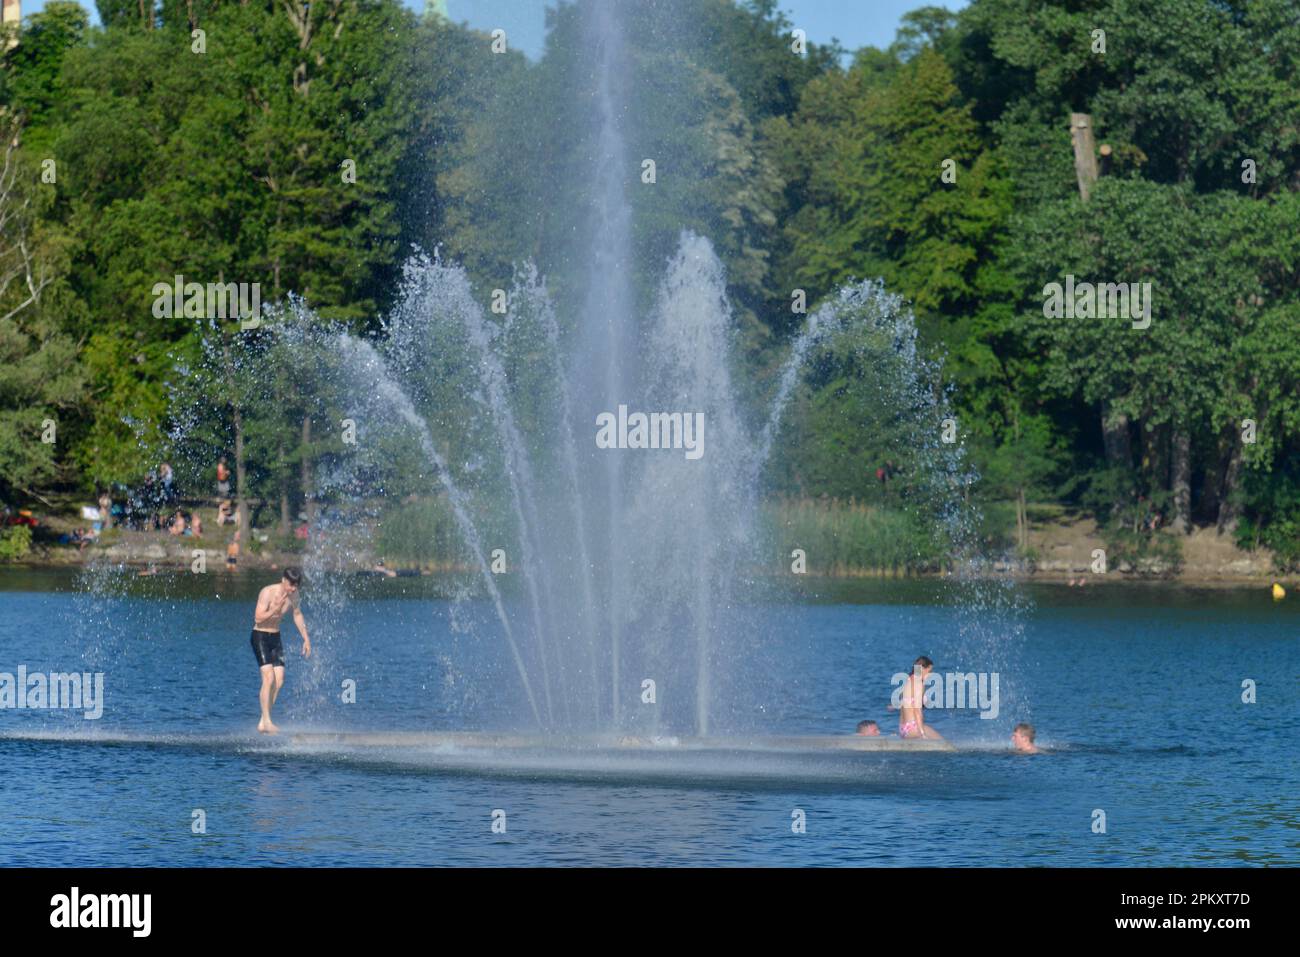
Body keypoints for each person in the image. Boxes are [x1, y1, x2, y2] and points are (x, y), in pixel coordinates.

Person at [250, 567, 311, 734]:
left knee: (280, 680)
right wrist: (275, 609)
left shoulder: (294, 596)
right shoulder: (267, 592)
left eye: (296, 586)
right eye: (291, 585)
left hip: (275, 638)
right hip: (260, 636)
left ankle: (263, 721)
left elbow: (297, 615)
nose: (293, 589)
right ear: (284, 580)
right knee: (268, 678)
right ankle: (268, 722)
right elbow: (258, 617)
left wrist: (306, 638)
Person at [899, 655, 944, 741]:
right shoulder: (918, 683)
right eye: (929, 671)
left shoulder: (908, 680)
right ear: (922, 669)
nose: (931, 675)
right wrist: (922, 733)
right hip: (913, 728)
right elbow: (917, 710)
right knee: (943, 743)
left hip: (902, 729)